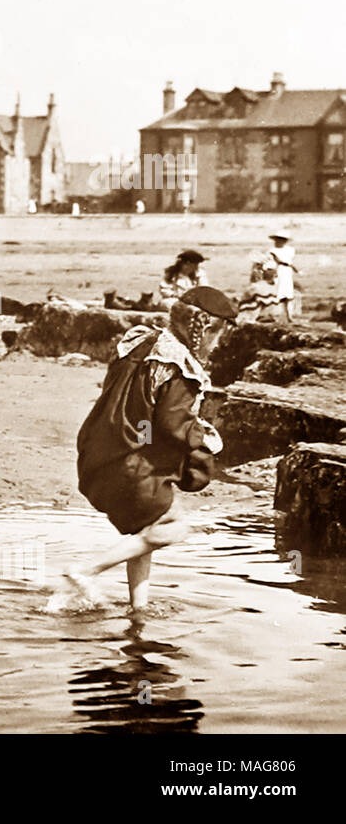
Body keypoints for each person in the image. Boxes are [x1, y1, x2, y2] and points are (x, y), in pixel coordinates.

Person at [61, 287, 237, 611]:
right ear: (203, 328)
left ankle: (138, 609)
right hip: (132, 465)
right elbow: (173, 425)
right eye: (218, 333)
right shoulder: (179, 366)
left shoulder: (143, 341)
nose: (219, 342)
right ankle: (85, 570)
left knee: (148, 534)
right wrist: (206, 439)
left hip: (101, 451)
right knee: (176, 528)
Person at [268, 230, 298, 321]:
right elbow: (271, 262)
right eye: (277, 239)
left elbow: (288, 261)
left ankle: (289, 315)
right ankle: (277, 315)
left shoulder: (290, 250)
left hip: (286, 272)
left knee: (288, 293)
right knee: (277, 293)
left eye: (281, 239)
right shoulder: (271, 251)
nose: (278, 241)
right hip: (277, 271)